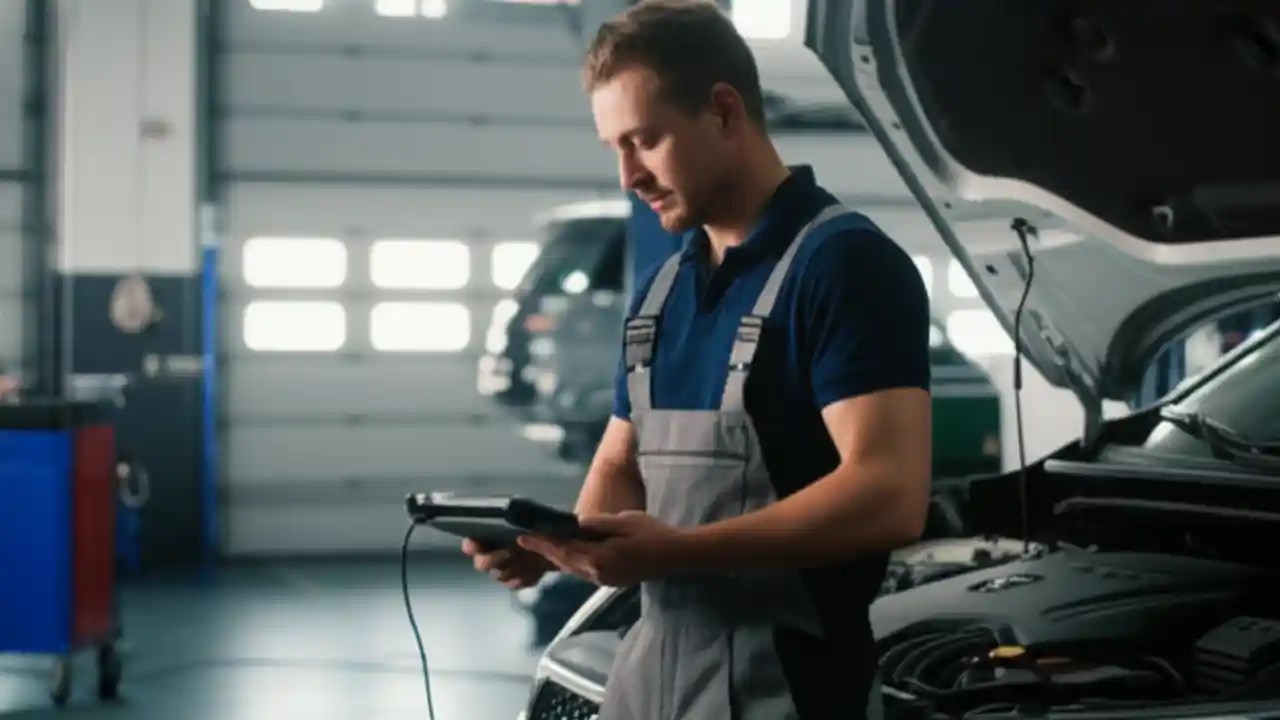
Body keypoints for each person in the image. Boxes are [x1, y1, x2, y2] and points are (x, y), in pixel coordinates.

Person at [464, 1, 932, 717]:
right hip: (647, 686)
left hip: (791, 693)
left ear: (722, 111)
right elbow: (621, 466)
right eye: (614, 148)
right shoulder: (662, 292)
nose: (628, 176)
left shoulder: (845, 266)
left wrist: (676, 551)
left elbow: (888, 492)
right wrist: (555, 546)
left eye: (645, 141)